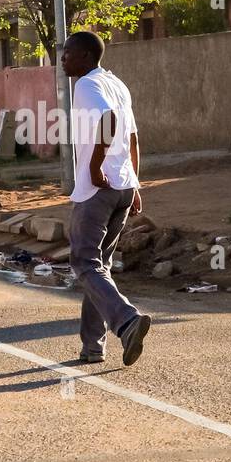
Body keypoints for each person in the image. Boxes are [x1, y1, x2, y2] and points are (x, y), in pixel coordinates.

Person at [61, 30, 150, 365]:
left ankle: (126, 321)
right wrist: (136, 183)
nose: (63, 58)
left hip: (99, 189)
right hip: (124, 186)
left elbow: (109, 121)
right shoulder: (116, 83)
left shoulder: (86, 85)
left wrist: (96, 166)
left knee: (84, 263)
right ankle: (92, 347)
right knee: (100, 267)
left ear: (85, 56)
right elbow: (133, 139)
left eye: (68, 52)